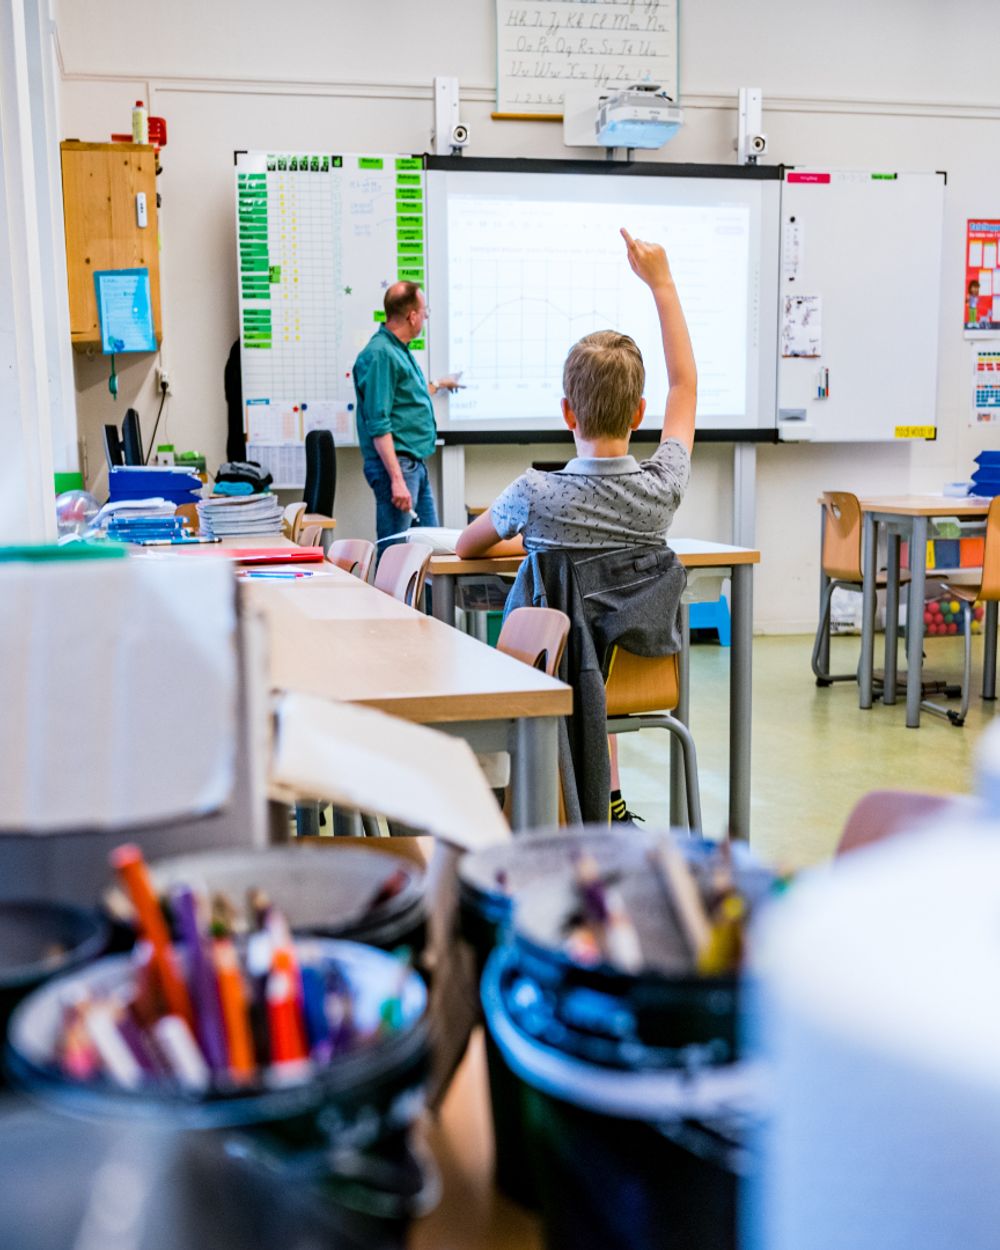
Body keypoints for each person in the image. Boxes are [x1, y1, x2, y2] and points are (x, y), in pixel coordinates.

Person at [456, 229, 697, 823]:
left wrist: (528, 539)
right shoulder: (662, 488)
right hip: (636, 683)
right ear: (641, 413)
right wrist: (662, 285)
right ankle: (609, 795)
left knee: (575, 630)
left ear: (566, 411)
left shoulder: (534, 493)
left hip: (553, 682)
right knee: (598, 628)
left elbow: (466, 547)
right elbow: (686, 386)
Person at [352, 282, 458, 545]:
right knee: (395, 552)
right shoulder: (380, 354)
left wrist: (439, 384)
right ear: (412, 316)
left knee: (431, 549)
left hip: (413, 465)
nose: (425, 317)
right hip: (397, 468)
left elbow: (406, 398)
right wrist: (396, 480)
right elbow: (379, 422)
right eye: (424, 312)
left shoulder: (397, 350)